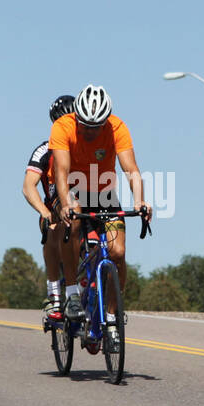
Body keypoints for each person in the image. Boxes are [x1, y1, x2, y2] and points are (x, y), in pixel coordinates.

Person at [49, 84, 151, 343]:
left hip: (104, 194)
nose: (91, 132)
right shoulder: (63, 126)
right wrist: (64, 204)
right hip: (73, 189)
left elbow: (132, 170)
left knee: (118, 252)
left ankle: (113, 317)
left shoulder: (117, 127)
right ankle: (72, 293)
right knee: (71, 223)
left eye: (96, 127)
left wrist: (140, 201)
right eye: (85, 126)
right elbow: (61, 171)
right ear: (77, 119)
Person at [23, 94, 75, 319]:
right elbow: (28, 186)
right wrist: (45, 214)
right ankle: (54, 296)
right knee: (52, 230)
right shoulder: (44, 151)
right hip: (55, 205)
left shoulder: (85, 146)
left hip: (86, 200)